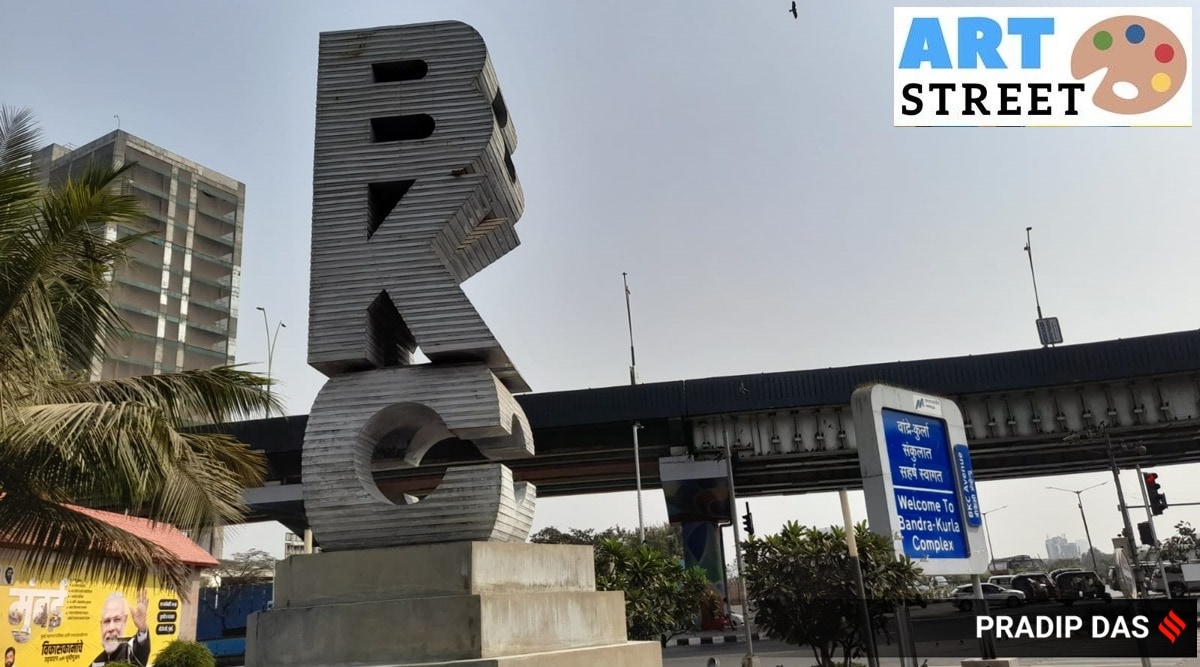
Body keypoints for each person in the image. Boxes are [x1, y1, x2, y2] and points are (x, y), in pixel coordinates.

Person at [90, 590, 150, 667]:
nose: (111, 628)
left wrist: (142, 629)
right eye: (107, 621)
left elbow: (141, 652)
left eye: (117, 620)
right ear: (101, 625)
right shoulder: (96, 663)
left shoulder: (130, 653)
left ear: (124, 622)